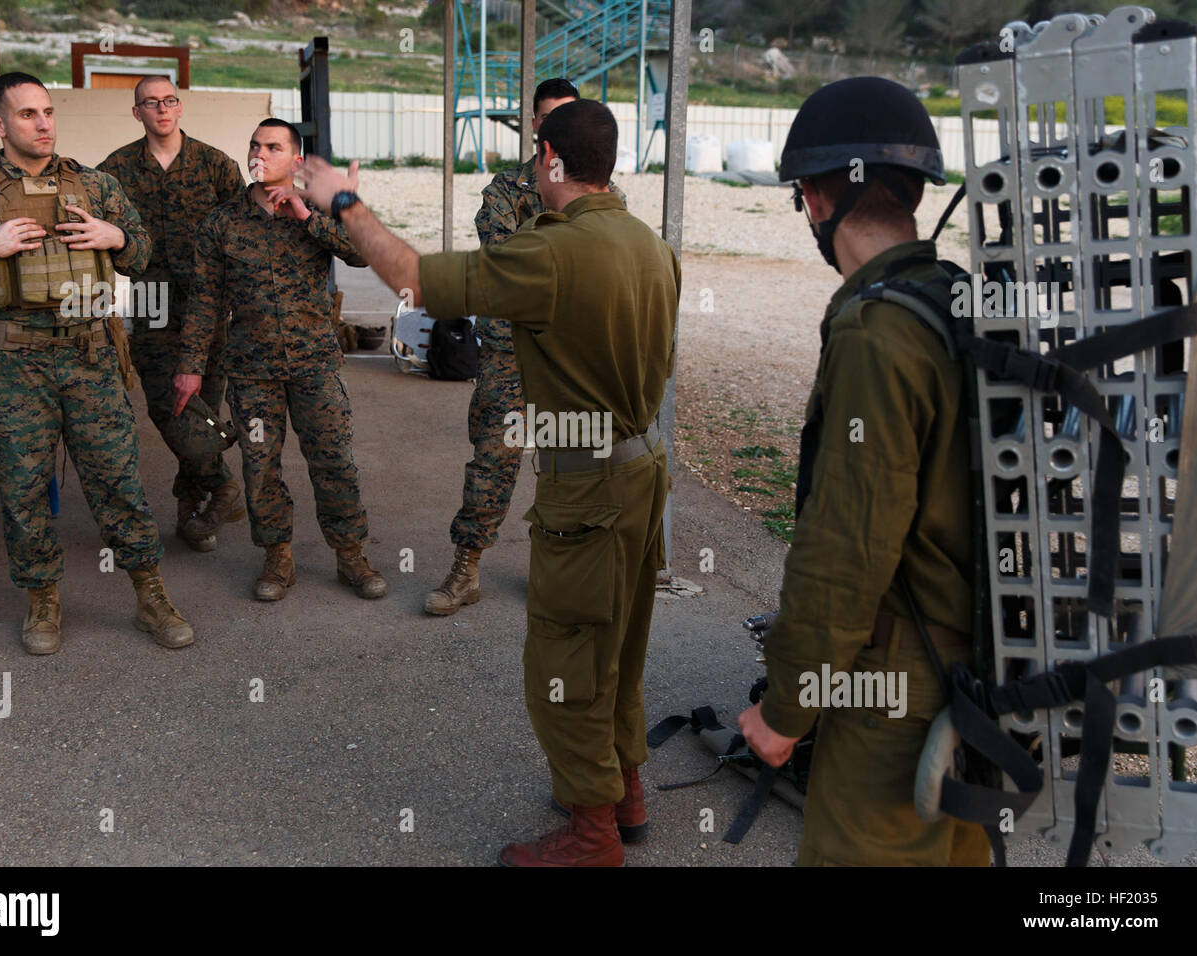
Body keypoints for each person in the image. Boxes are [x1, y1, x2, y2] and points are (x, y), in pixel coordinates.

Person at [293, 98, 680, 867]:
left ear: (550, 160)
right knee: (621, 647)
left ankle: (594, 836)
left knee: (565, 664)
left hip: (589, 485)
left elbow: (409, 278)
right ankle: (624, 791)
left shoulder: (552, 252)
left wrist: (341, 197)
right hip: (643, 470)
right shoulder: (649, 244)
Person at [735, 76, 991, 866]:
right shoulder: (953, 299)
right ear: (914, 189)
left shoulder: (877, 330)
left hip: (896, 695)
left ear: (816, 196)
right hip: (976, 674)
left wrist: (788, 708)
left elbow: (847, 549)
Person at [0, 72, 193, 655]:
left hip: (90, 353)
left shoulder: (96, 186)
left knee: (118, 480)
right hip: (16, 363)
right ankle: (43, 601)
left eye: (47, 112)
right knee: (22, 487)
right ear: (0, 124)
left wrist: (115, 235)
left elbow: (142, 254)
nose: (43, 124)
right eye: (26, 115)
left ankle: (150, 595)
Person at [425, 78, 626, 617]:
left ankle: (559, 575)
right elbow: (508, 266)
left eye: (570, 116)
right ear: (536, 126)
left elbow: (602, 267)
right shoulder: (505, 190)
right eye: (550, 117)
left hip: (573, 359)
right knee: (493, 461)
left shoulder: (608, 196)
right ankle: (466, 568)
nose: (559, 125)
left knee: (573, 469)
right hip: (510, 355)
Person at [172, 118, 385, 602]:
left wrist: (307, 217)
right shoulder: (221, 222)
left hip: (315, 364)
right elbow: (204, 300)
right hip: (251, 368)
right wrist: (191, 365)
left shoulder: (318, 210)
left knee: (334, 461)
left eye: (273, 146)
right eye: (254, 145)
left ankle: (350, 554)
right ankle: (277, 556)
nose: (260, 154)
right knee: (260, 465)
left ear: (297, 160)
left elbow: (362, 252)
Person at [97, 76, 246, 553]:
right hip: (149, 299)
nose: (161, 109)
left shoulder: (216, 165)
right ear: (136, 112)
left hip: (208, 304)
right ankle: (222, 484)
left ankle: (192, 506)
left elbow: (241, 234)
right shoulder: (115, 169)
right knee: (169, 404)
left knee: (203, 406)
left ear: (179, 107)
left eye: (168, 100)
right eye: (149, 103)